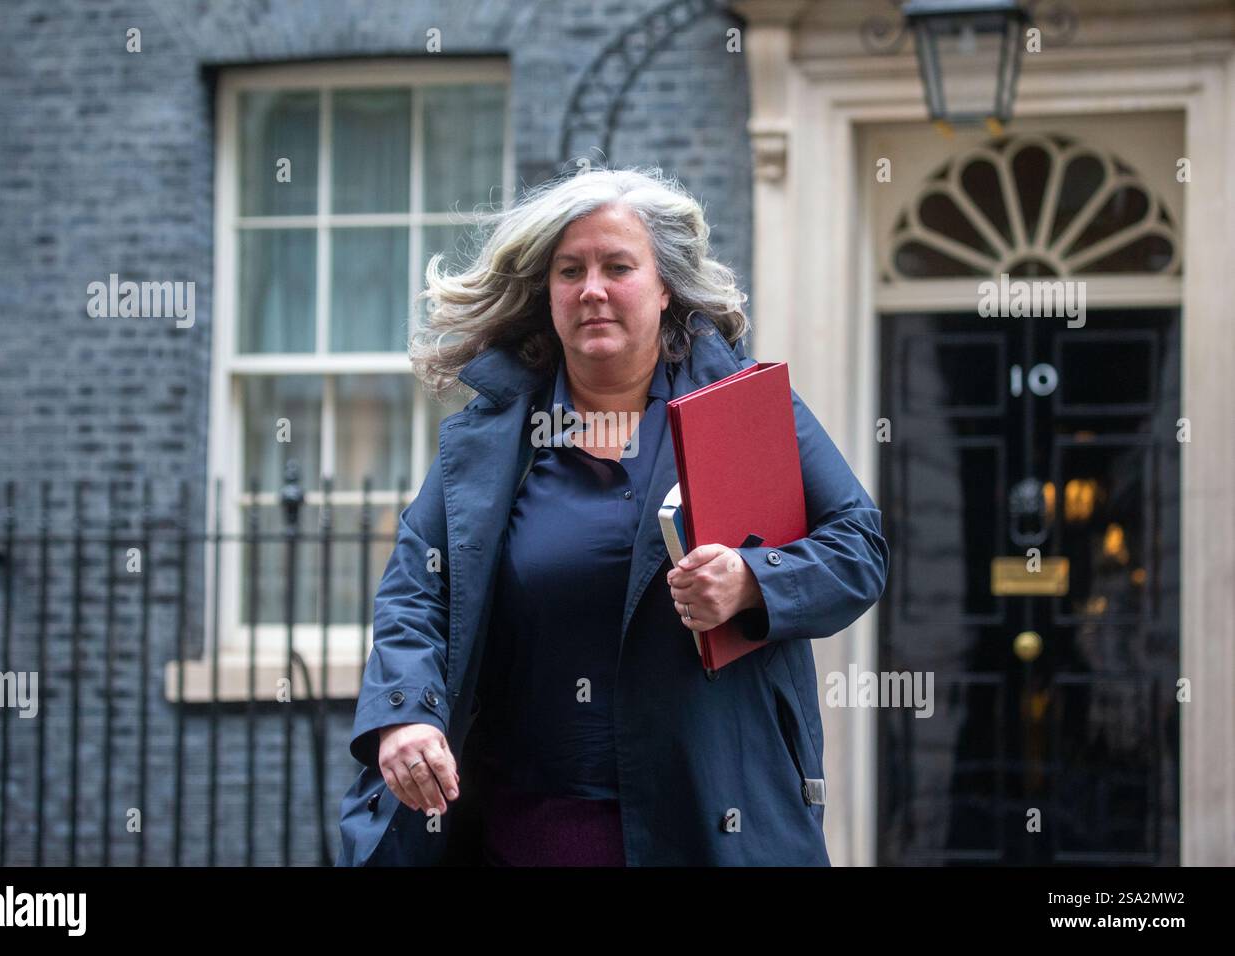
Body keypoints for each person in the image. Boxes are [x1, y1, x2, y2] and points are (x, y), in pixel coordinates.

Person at [336, 166, 889, 867]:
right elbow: (417, 592)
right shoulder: (492, 438)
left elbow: (859, 546)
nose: (592, 289)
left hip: (713, 822)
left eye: (618, 266)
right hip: (530, 830)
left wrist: (754, 579)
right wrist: (405, 714)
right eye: (571, 271)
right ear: (549, 294)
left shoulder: (744, 411)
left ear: (665, 288)